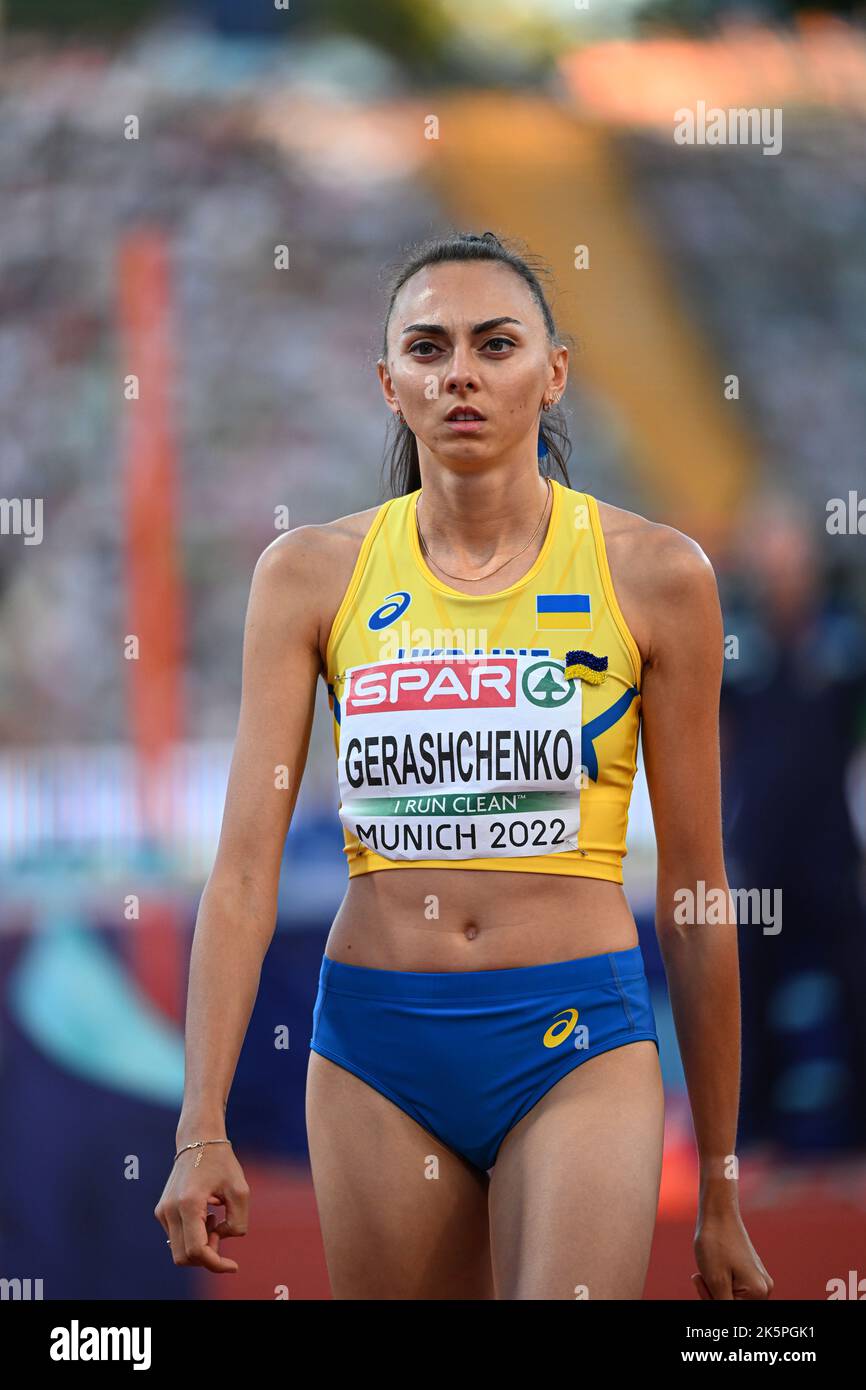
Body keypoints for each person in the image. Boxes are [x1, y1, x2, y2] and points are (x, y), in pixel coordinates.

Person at [155, 230, 773, 1300]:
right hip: (375, 1052)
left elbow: (694, 891)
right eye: (429, 349)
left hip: (576, 1042)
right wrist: (197, 1124)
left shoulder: (657, 575)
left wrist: (718, 1184)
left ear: (553, 371)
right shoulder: (307, 575)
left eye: (495, 344)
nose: (462, 375)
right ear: (388, 381)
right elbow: (244, 871)